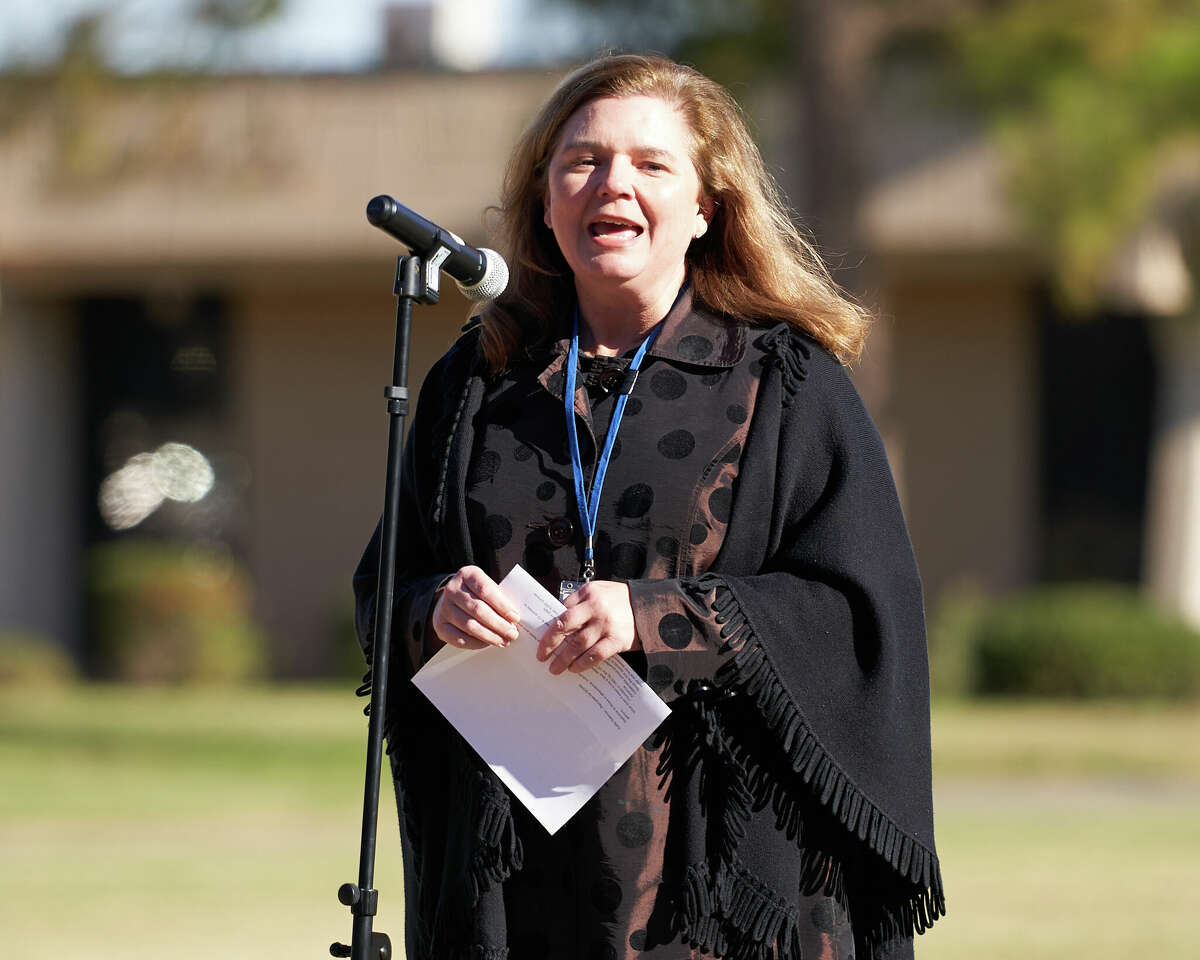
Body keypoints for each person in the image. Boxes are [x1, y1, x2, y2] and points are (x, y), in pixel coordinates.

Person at [354, 54, 943, 960]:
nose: (612, 184)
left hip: (716, 882)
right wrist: (437, 604)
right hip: (516, 876)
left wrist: (656, 615)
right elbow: (383, 588)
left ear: (708, 206)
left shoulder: (785, 384)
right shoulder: (475, 384)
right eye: (581, 162)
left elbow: (859, 615)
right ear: (545, 201)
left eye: (651, 164)